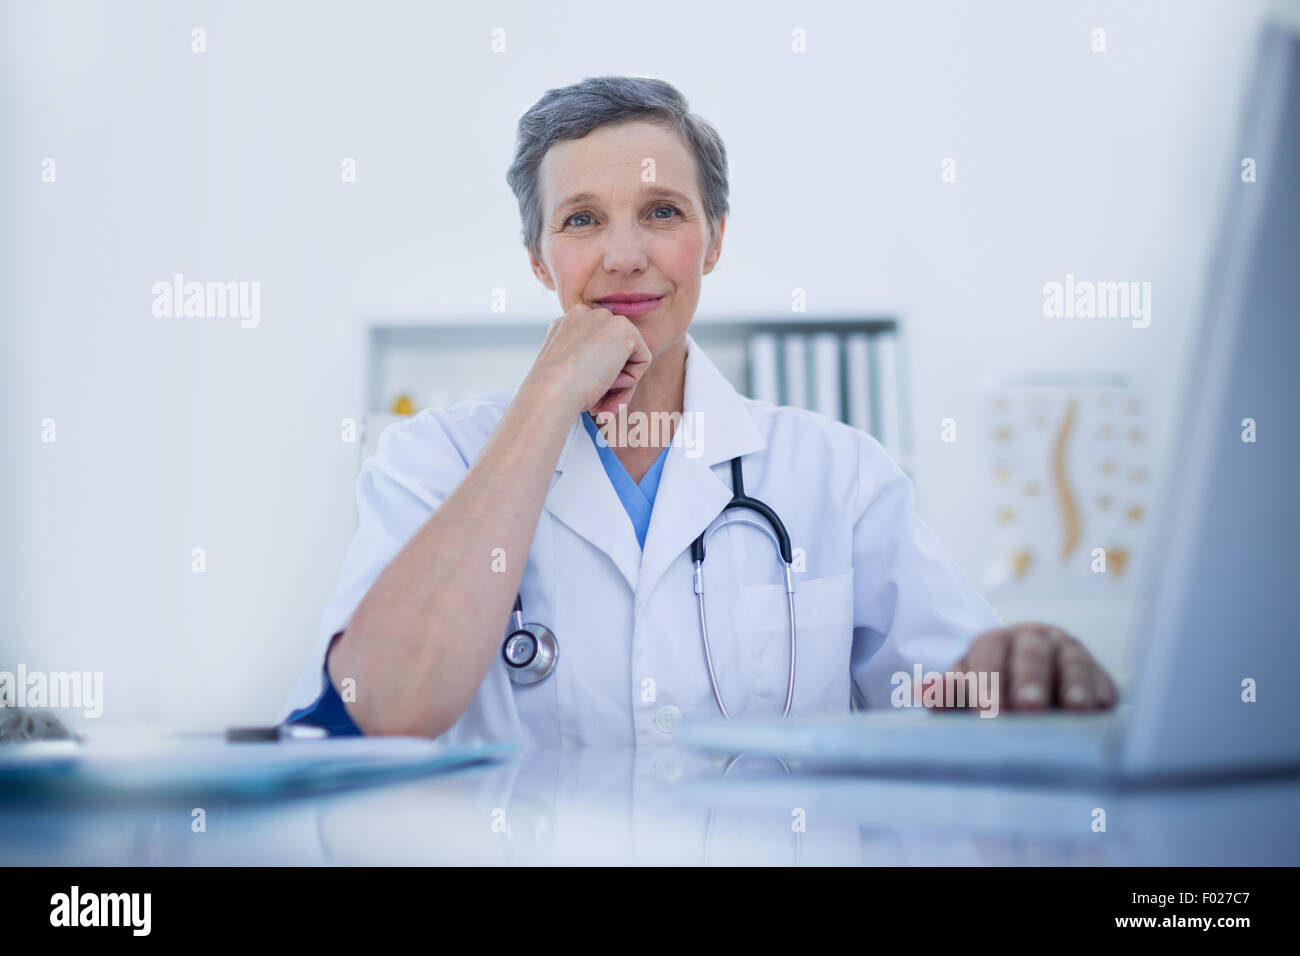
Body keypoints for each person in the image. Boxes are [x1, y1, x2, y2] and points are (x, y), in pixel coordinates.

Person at [280, 76, 1117, 745]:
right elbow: (380, 708)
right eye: (581, 221)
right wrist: (543, 402)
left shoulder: (838, 475)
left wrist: (1016, 668)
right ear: (539, 261)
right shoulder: (431, 460)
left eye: (661, 213)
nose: (623, 255)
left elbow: (960, 707)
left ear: (713, 238)